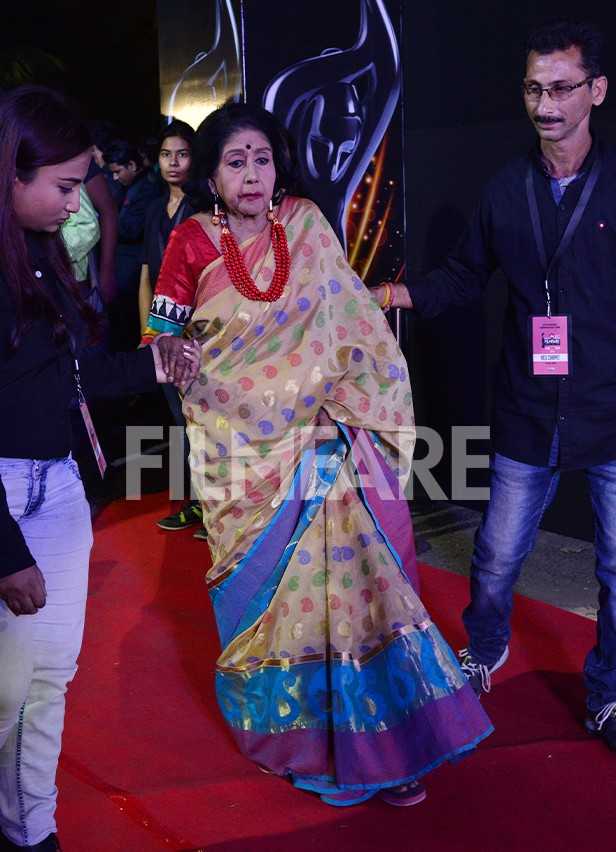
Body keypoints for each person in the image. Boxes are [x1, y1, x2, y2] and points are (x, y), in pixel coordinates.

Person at [149, 100, 492, 806]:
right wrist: (169, 349)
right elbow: (164, 329)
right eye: (235, 162)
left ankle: (391, 745)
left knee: (372, 575)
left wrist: (339, 400)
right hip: (247, 445)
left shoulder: (304, 223)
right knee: (283, 600)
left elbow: (349, 319)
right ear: (212, 174)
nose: (251, 175)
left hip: (333, 431)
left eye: (262, 159)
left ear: (279, 166)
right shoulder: (189, 241)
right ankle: (304, 734)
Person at [377, 21, 616, 749]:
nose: (545, 104)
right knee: (497, 555)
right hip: (524, 407)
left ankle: (606, 693)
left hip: (612, 411)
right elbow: (461, 276)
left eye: (562, 88)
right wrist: (393, 297)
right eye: (534, 88)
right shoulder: (505, 188)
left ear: (597, 92)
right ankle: (485, 649)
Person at [0, 86, 199, 851]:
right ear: (12, 173)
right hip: (8, 503)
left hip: (61, 491)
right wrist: (6, 550)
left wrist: (156, 364)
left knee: (49, 682)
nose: (79, 203)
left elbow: (75, 376)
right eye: (63, 184)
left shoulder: (44, 255)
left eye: (84, 182)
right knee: (8, 692)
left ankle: (33, 830)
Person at [138, 120, 205, 537]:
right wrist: (149, 335)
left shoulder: (202, 207)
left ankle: (213, 505)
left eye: (181, 153)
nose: (173, 162)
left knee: (204, 423)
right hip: (163, 330)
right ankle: (193, 504)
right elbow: (146, 274)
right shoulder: (152, 210)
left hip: (199, 329)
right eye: (166, 154)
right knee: (180, 422)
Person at [103, 140, 161, 350]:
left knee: (129, 320)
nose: (116, 177)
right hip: (125, 265)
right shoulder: (130, 187)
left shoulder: (147, 190)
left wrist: (107, 220)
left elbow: (132, 228)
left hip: (133, 267)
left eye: (118, 171)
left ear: (133, 165)